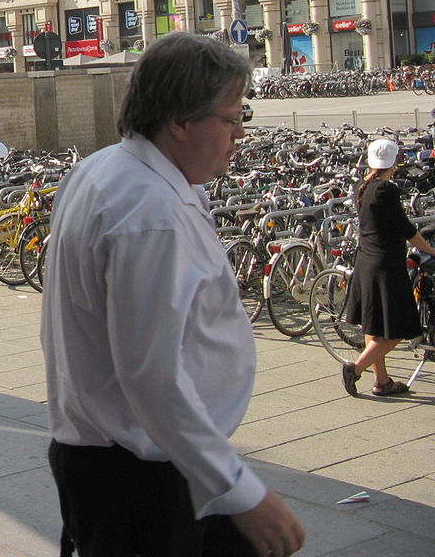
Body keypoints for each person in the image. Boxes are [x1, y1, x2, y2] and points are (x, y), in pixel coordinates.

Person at [41, 32, 305, 557]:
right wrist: (238, 490)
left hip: (132, 461)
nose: (240, 134)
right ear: (181, 122)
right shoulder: (150, 213)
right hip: (143, 476)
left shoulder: (105, 170)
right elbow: (151, 374)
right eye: (232, 118)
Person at [340, 138, 435, 397]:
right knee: (399, 328)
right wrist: (429, 250)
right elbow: (406, 228)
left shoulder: (363, 186)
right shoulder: (386, 190)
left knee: (373, 327)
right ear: (393, 163)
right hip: (385, 266)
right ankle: (355, 368)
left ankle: (381, 381)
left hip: (366, 262)